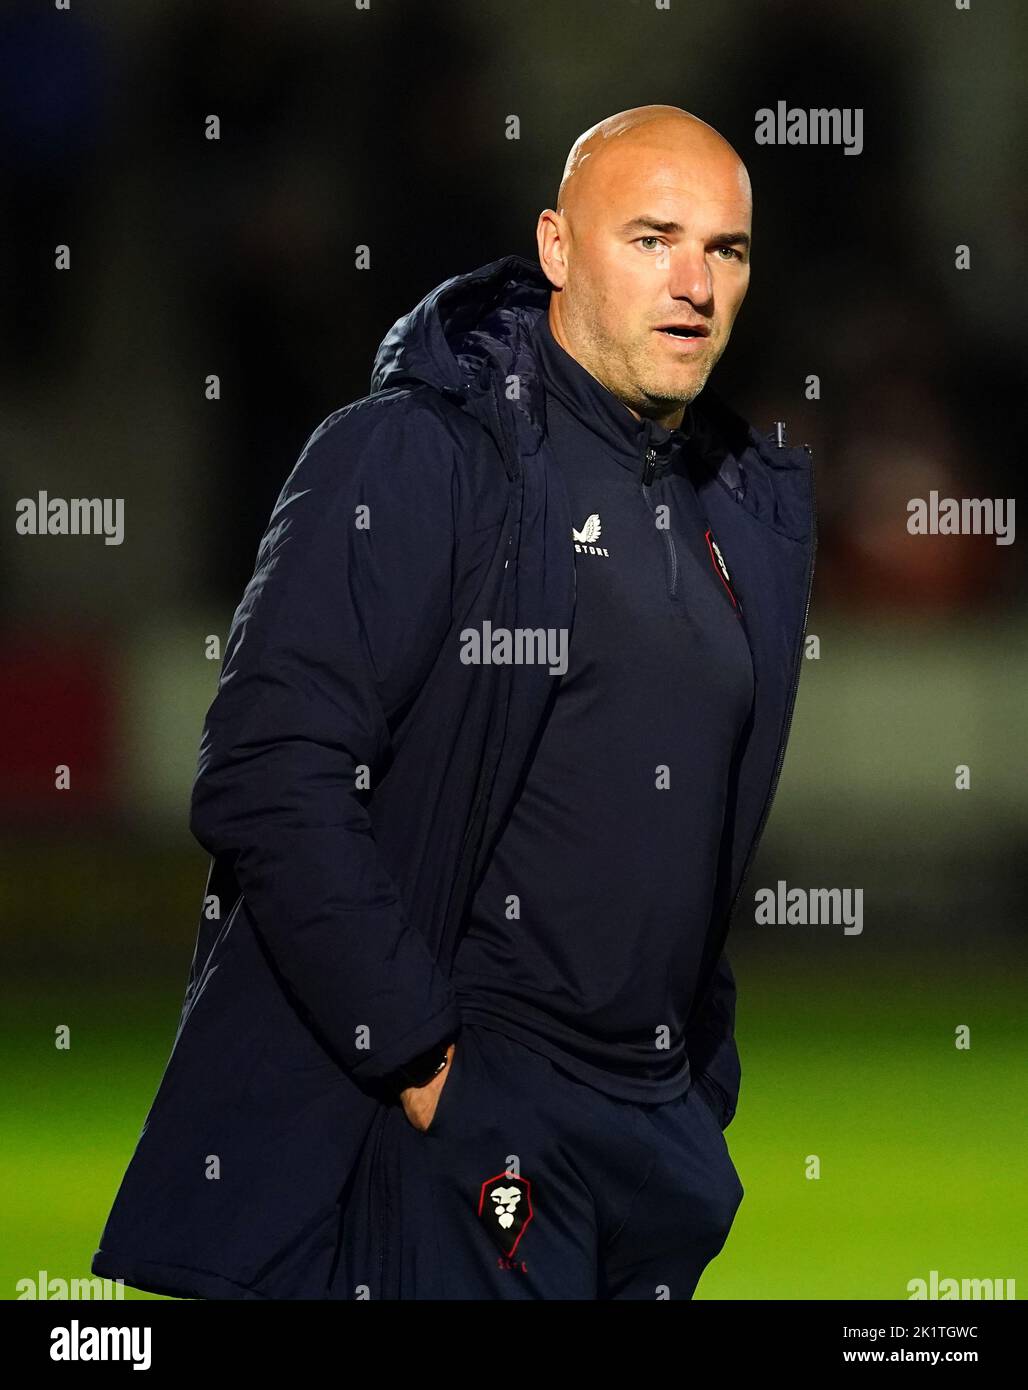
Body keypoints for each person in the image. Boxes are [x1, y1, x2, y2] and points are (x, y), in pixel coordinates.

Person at [92, 105, 815, 1300]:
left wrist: (690, 1092)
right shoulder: (413, 456)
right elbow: (269, 771)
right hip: (458, 1127)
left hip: (645, 1139)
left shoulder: (734, 507)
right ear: (556, 246)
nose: (692, 282)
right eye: (650, 238)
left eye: (724, 250)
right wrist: (425, 1062)